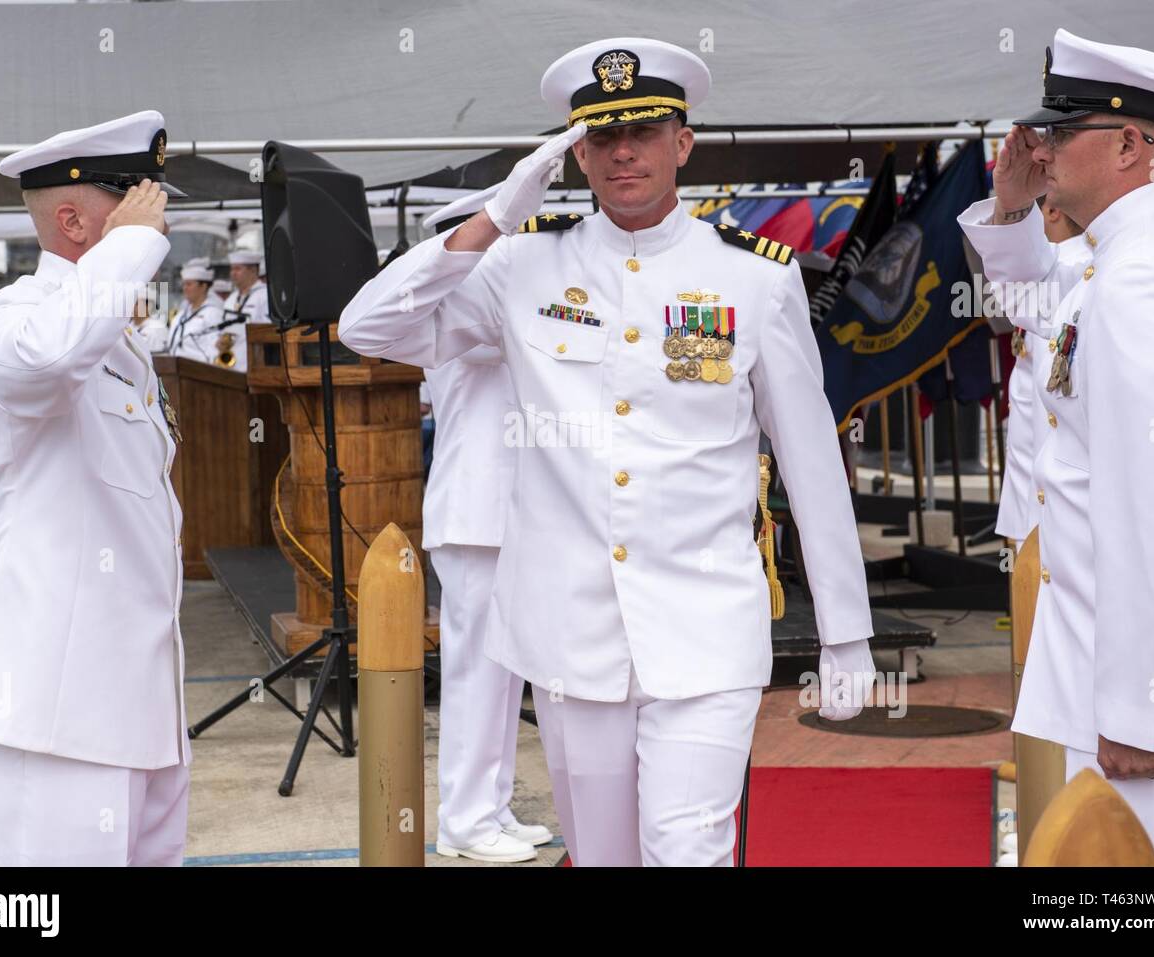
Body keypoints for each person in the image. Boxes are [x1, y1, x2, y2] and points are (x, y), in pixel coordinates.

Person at [339, 37, 875, 866]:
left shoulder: (754, 280)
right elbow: (368, 328)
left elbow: (809, 461)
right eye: (601, 138)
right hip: (567, 632)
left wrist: (847, 633)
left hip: (705, 628)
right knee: (602, 853)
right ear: (576, 153)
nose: (624, 152)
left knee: (684, 846)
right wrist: (492, 217)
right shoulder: (521, 262)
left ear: (683, 143)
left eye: (646, 131)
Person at [959, 29, 1154, 865]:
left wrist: (1139, 709)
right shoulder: (1125, 259)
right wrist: (1010, 202)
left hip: (1148, 714)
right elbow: (1030, 296)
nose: (1044, 145)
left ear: (1133, 146)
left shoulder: (1149, 278)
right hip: (1106, 684)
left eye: (1064, 130)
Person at [0, 110, 191, 866]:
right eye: (135, 199)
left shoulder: (118, 341)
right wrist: (137, 247)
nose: (158, 214)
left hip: (136, 707)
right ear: (75, 218)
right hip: (49, 710)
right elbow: (46, 359)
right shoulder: (15, 316)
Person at [419, 188, 553, 863]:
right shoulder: (458, 310)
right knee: (476, 672)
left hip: (505, 513)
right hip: (476, 512)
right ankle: (464, 821)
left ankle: (490, 806)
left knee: (504, 675)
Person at [993, 196, 1086, 545]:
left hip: (1049, 509)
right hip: (1033, 497)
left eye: (1027, 213)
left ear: (1051, 211)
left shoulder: (1075, 269)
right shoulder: (1052, 272)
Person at [167, 258, 231, 368]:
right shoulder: (180, 316)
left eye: (189, 284)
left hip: (199, 373)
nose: (185, 288)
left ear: (203, 286)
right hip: (176, 372)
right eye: (184, 285)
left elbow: (215, 349)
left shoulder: (214, 314)